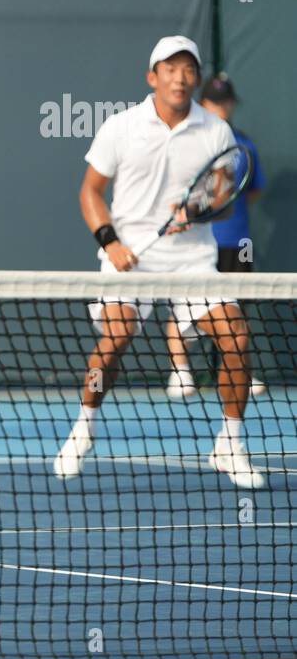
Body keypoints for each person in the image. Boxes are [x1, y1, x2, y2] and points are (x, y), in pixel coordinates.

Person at [55, 35, 264, 488]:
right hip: (129, 257)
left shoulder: (216, 131)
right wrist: (110, 242)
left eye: (188, 68)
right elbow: (90, 191)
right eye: (170, 68)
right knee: (116, 339)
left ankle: (229, 444)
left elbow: (223, 198)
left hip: (193, 261)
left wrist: (198, 210)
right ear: (153, 77)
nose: (180, 76)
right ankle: (83, 427)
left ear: (196, 78)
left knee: (237, 339)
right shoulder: (121, 127)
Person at [164, 73, 266, 397]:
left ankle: (238, 372)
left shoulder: (244, 144)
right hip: (194, 247)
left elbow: (251, 192)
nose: (221, 108)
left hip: (240, 243)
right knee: (183, 306)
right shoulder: (187, 142)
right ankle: (180, 372)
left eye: (226, 102)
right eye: (215, 102)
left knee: (237, 309)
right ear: (202, 103)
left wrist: (219, 204)